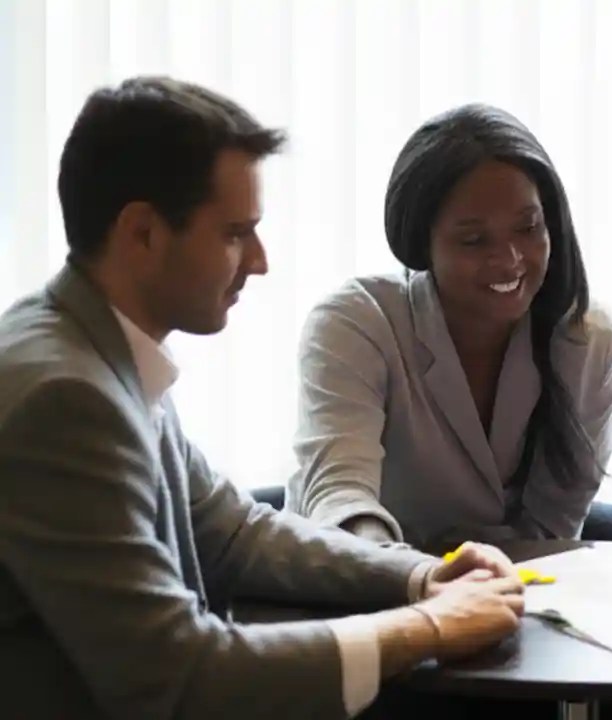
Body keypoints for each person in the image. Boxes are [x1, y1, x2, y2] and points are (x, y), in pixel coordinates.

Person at [0, 76, 528, 720]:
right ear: (142, 234)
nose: (260, 260)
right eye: (234, 233)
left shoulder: (94, 346)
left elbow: (235, 534)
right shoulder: (66, 399)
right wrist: (431, 627)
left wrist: (420, 576)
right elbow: (179, 676)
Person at [285, 102, 612, 551]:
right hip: (363, 575)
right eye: (474, 240)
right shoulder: (355, 323)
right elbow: (339, 498)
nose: (509, 260)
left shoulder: (587, 339)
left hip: (511, 581)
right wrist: (409, 575)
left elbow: (555, 526)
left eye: (528, 228)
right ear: (423, 243)